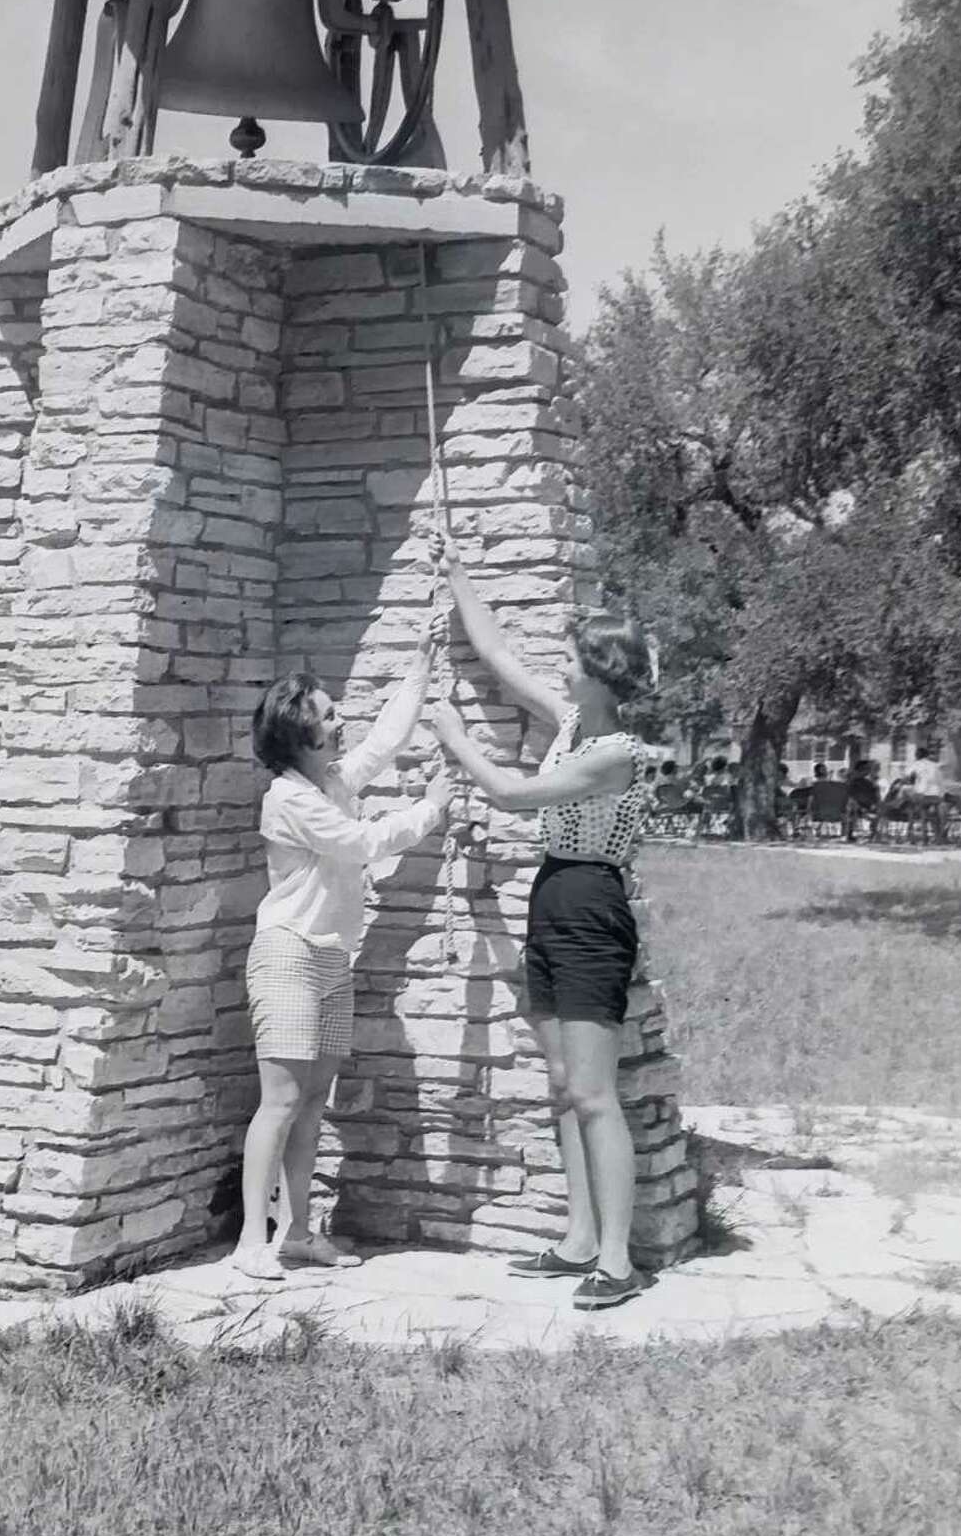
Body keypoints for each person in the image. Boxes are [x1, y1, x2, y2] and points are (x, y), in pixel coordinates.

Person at [430, 562, 658, 1313]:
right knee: (564, 1087)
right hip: (554, 894)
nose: (561, 666)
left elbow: (513, 794)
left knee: (594, 1094)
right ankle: (579, 1240)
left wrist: (457, 739)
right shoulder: (571, 722)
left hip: (592, 905)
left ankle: (618, 1263)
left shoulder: (616, 754)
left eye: (573, 657)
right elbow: (499, 656)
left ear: (601, 673)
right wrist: (455, 569)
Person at [233, 624, 457, 1283]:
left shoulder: (328, 780)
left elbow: (384, 742)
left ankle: (298, 1233)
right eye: (329, 717)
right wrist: (430, 811)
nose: (341, 721)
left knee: (311, 1102)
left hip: (331, 962)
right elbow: (360, 845)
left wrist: (419, 668)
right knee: (279, 1101)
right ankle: (253, 1241)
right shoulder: (290, 801)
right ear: (300, 738)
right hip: (287, 959)